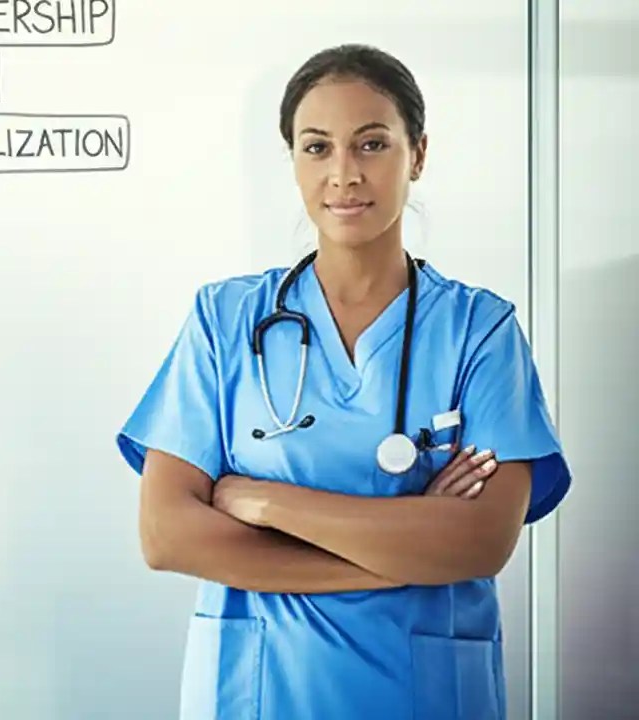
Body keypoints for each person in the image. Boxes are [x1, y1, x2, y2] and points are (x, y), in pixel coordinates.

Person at [115, 43, 571, 719]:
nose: (344, 173)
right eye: (317, 147)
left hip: (420, 696)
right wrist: (401, 555)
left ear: (417, 154)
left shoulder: (479, 330)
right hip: (260, 693)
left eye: (372, 144)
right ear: (294, 161)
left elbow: (480, 541)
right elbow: (166, 535)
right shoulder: (225, 320)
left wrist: (263, 501)